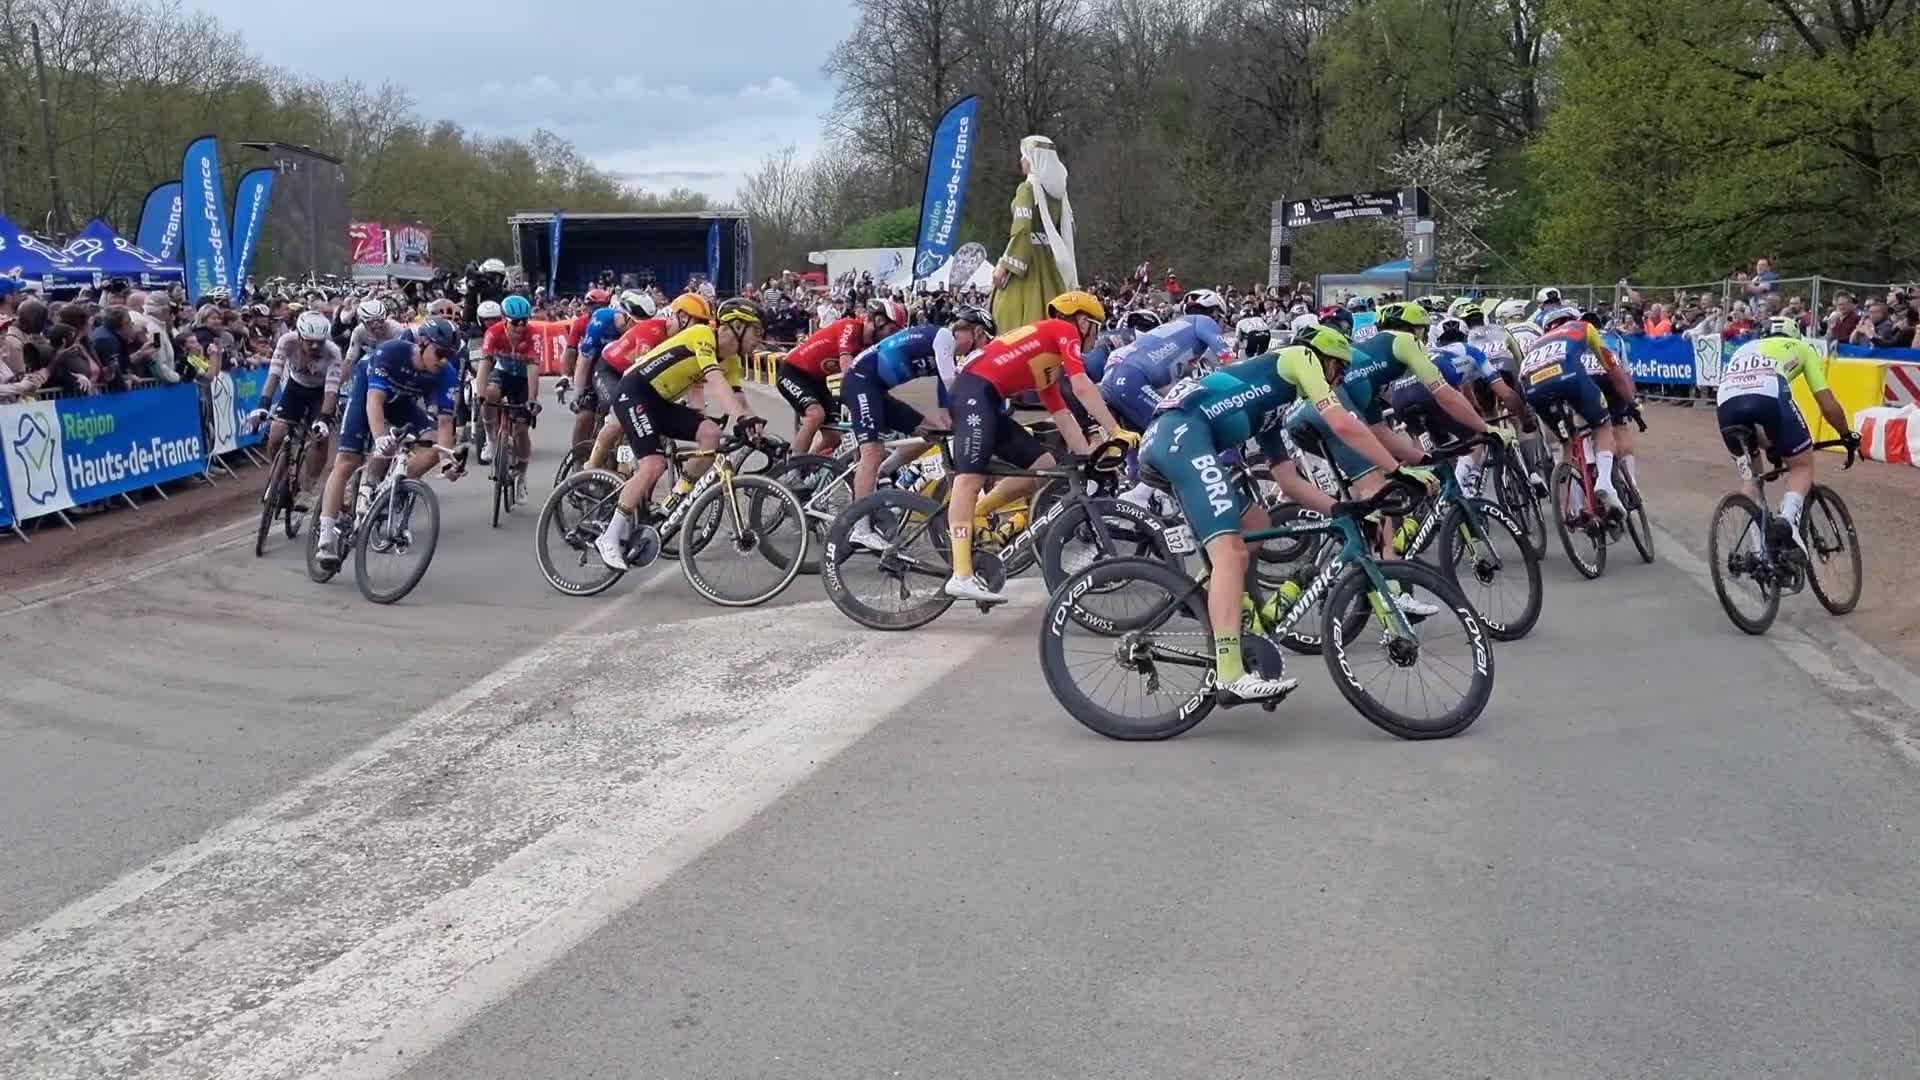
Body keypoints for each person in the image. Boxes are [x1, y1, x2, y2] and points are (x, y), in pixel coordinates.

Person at [1138, 325, 1410, 703]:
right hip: (1181, 437)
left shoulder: (1272, 406)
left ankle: (1221, 601)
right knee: (1230, 554)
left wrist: (1341, 510)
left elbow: (1288, 479)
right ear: (1325, 359)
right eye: (1340, 370)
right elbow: (1344, 422)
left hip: (1176, 438)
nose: (1340, 380)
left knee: (1257, 524)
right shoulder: (1299, 357)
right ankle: (1230, 673)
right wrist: (1397, 470)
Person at [943, 290, 1126, 603]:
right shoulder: (1064, 331)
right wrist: (1116, 430)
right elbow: (1082, 387)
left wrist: (1086, 460)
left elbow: (1062, 414)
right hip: (974, 392)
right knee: (970, 478)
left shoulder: (1048, 364)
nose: (1097, 334)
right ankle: (961, 575)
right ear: (1082, 322)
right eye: (1096, 325)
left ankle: (980, 512)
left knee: (1044, 466)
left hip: (987, 397)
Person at [593, 299, 768, 571]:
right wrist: (742, 418)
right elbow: (716, 382)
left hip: (659, 402)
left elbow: (737, 396)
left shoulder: (731, 359)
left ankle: (673, 501)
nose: (760, 339)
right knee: (654, 464)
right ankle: (609, 536)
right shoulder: (702, 336)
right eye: (756, 331)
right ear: (736, 325)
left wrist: (754, 422)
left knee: (711, 433)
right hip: (634, 392)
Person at [315, 317, 464, 570]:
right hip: (369, 391)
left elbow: (445, 424)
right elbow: (374, 401)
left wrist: (447, 462)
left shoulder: (446, 374)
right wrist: (379, 437)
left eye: (449, 355)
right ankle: (326, 537)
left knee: (432, 444)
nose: (443, 361)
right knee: (348, 460)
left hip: (401, 402)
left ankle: (392, 488)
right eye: (439, 353)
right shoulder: (392, 351)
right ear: (422, 343)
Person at [838, 309, 992, 550]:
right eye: (982, 342)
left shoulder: (948, 354)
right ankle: (860, 528)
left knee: (931, 434)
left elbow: (945, 395)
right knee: (872, 451)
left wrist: (948, 418)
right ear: (977, 332)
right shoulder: (944, 338)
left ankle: (882, 474)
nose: (978, 351)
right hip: (860, 380)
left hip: (876, 389)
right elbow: (952, 383)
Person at [1715, 318, 1858, 554]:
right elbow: (1827, 405)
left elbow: (1747, 404)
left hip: (1726, 404)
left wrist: (1771, 446)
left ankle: (1759, 553)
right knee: (1802, 465)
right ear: (1795, 336)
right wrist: (1847, 434)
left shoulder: (1745, 348)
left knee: (1752, 480)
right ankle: (1788, 524)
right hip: (1768, 394)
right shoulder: (1802, 348)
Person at [1517, 305, 1636, 514]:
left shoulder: (1537, 343)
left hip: (1533, 388)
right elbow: (1612, 368)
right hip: (1570, 377)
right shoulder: (1584, 328)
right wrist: (1630, 401)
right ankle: (1604, 483)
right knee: (1603, 426)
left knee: (1567, 443)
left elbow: (1521, 380)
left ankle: (1576, 508)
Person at [582, 292, 710, 472]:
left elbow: (695, 389)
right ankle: (591, 466)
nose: (702, 329)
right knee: (620, 415)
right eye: (699, 323)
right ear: (681, 318)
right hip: (611, 370)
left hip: (633, 377)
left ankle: (625, 475)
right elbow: (640, 372)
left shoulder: (687, 341)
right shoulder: (653, 330)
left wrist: (701, 417)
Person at [775, 297, 904, 458]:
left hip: (816, 381)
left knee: (833, 437)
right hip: (792, 372)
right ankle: (790, 469)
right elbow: (847, 365)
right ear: (878, 321)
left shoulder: (869, 346)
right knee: (816, 414)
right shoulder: (850, 326)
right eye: (891, 331)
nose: (891, 338)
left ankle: (804, 469)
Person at [247, 310, 346, 502]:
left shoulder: (333, 351)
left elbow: (332, 391)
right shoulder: (286, 341)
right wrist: (263, 405)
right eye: (310, 341)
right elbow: (274, 376)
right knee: (277, 432)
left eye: (320, 341)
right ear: (300, 336)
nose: (316, 346)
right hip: (296, 388)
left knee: (320, 438)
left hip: (321, 393)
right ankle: (278, 475)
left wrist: (324, 420)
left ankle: (309, 485)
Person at [990, 136, 1078, 333]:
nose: (1022, 161)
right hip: (1051, 263)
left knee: (1012, 319)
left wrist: (1005, 267)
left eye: (1024, 156)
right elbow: (1069, 229)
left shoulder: (1027, 189)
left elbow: (1022, 229)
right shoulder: (1059, 194)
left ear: (1033, 159)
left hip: (1029, 262)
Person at [473, 295, 543, 499]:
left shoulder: (532, 335)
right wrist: (479, 395)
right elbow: (484, 367)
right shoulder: (493, 333)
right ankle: (491, 438)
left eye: (525, 320)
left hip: (522, 380)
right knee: (490, 393)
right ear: (504, 319)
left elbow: (532, 371)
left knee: (521, 431)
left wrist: (532, 398)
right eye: (515, 321)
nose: (521, 326)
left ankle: (521, 476)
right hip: (502, 374)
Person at [564, 288, 615, 448]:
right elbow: (571, 351)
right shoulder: (580, 324)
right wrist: (565, 376)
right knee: (584, 417)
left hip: (613, 371)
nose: (598, 311)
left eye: (602, 306)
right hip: (588, 371)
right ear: (586, 307)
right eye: (594, 306)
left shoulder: (615, 322)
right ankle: (577, 460)